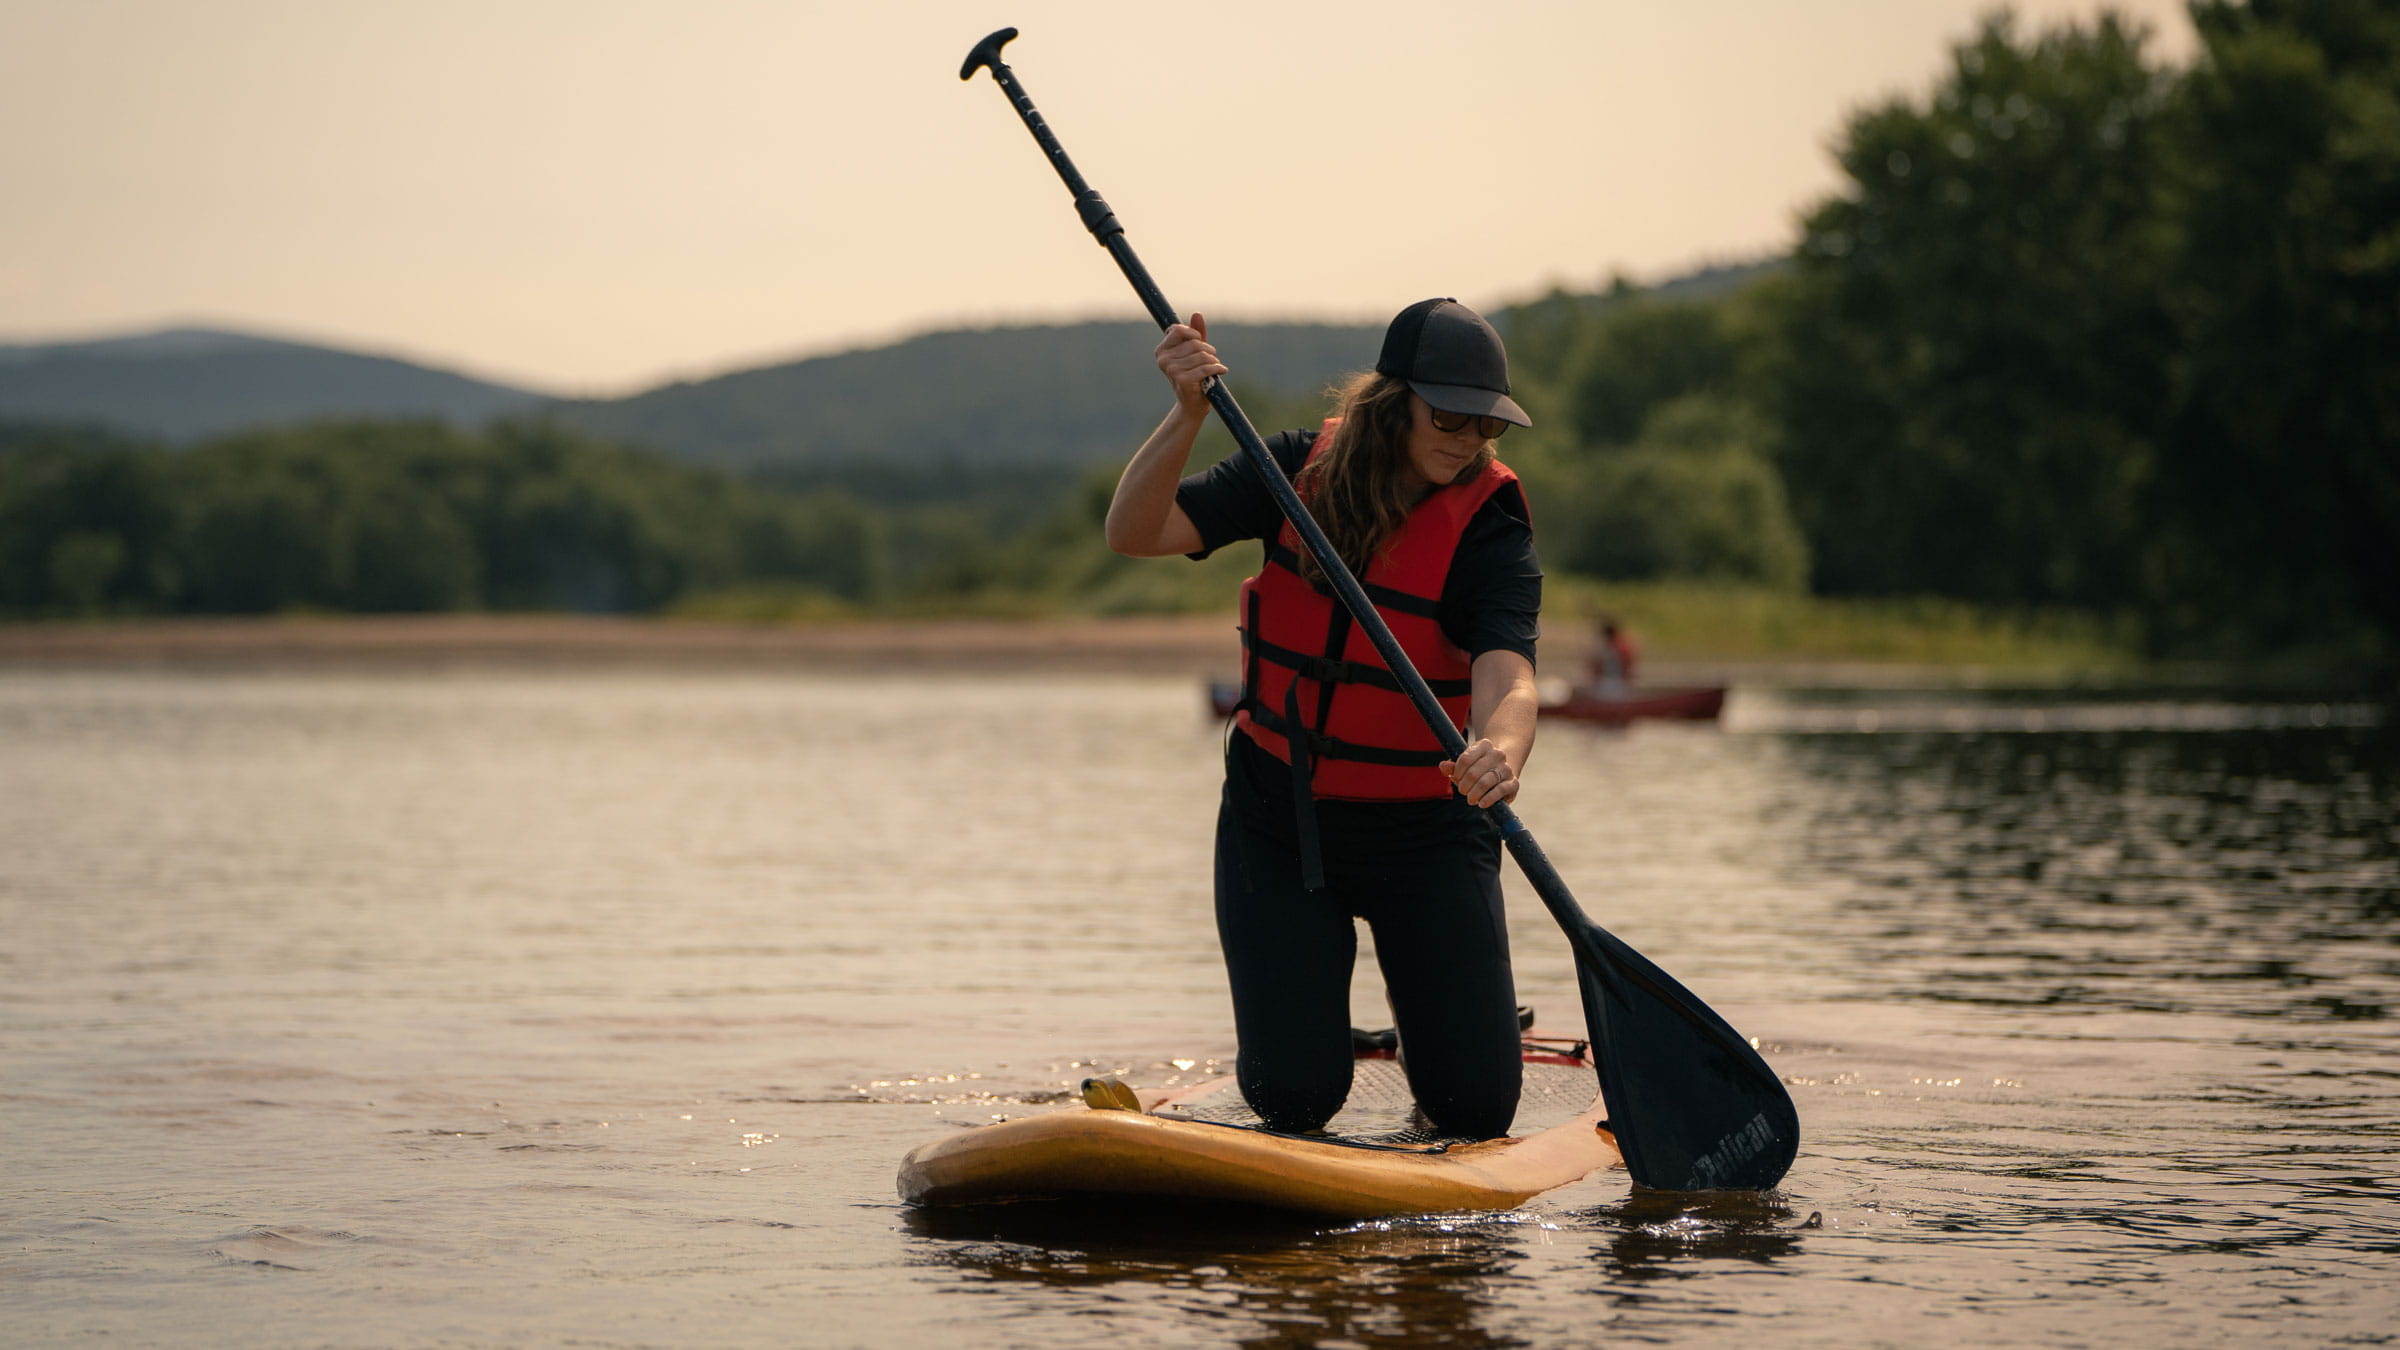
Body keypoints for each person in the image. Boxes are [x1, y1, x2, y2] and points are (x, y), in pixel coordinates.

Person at [1103, 298, 1542, 1140]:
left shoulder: (1489, 524)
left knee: (1474, 1112)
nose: (1469, 439)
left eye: (1490, 425)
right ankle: (1322, 1038)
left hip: (1431, 832)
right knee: (1293, 1097)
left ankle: (1433, 1036)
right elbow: (1135, 530)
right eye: (1449, 414)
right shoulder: (1294, 470)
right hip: (1282, 821)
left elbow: (1510, 674)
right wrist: (1186, 414)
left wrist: (1499, 747)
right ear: (1394, 401)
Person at [1589, 613, 1639, 699]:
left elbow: (1594, 668)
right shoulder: (1621, 647)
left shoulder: (1604, 649)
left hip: (1609, 685)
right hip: (1616, 685)